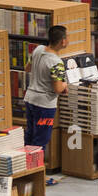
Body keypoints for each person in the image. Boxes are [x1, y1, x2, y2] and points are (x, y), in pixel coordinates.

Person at [24, 24, 69, 162]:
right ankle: (38, 176)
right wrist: (65, 85)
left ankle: (26, 170)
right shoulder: (57, 63)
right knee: (40, 140)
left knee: (30, 136)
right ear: (63, 41)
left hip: (30, 98)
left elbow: (27, 68)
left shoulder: (38, 50)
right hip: (44, 105)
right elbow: (58, 89)